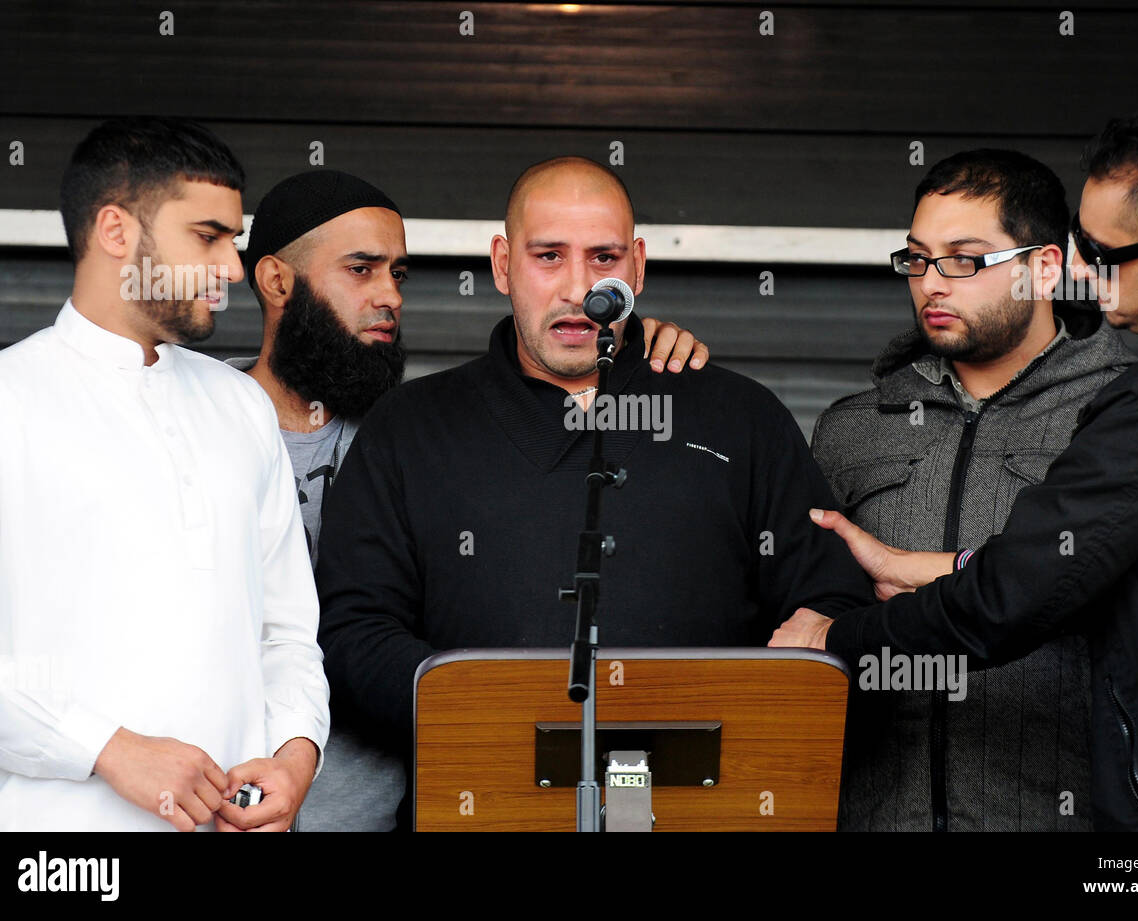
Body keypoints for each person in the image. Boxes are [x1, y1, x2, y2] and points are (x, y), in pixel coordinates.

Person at [316, 156, 874, 827]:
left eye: (603, 257)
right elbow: (350, 632)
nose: (579, 288)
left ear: (637, 267)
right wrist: (506, 713)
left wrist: (777, 672)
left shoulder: (739, 418)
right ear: (500, 265)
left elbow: (837, 606)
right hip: (479, 809)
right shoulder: (409, 428)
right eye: (548, 256)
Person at [773, 110, 1138, 832]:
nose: (1079, 268)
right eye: (917, 257)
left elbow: (1016, 595)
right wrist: (933, 567)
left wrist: (834, 644)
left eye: (1099, 251)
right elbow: (1077, 561)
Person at [232, 168, 709, 830]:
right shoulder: (201, 429)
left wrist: (627, 345)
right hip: (218, 798)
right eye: (363, 270)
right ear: (278, 280)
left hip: (368, 814)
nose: (390, 296)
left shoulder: (409, 431)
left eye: (398, 274)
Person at [0, 116, 329, 831]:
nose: (232, 268)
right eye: (207, 236)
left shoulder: (240, 407)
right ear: (115, 231)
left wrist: (295, 754)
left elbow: (286, 632)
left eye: (234, 238)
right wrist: (107, 748)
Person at [812, 149, 1136, 832]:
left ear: (1044, 267)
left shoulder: (1121, 417)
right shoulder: (851, 428)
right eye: (918, 258)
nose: (932, 283)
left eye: (964, 259)